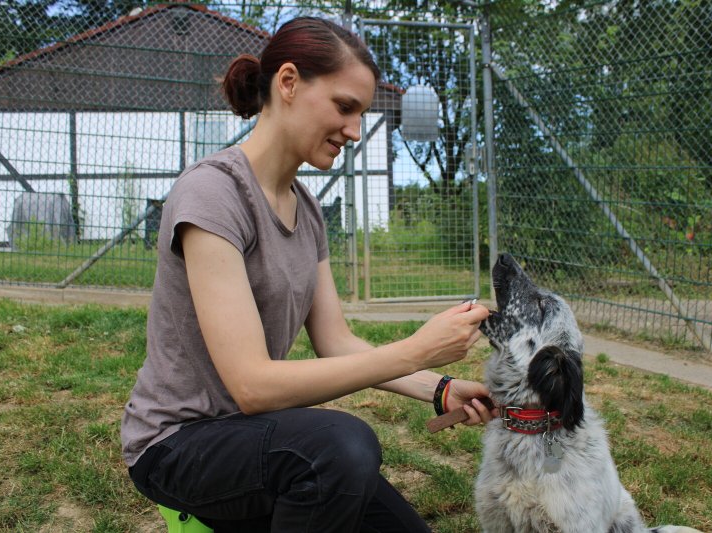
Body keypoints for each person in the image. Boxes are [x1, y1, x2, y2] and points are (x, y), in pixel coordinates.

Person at [121, 16, 493, 532]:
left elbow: (337, 342)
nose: (355, 130)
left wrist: (440, 386)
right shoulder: (213, 194)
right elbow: (251, 384)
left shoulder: (307, 207)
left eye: (361, 113)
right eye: (345, 107)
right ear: (289, 83)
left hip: (257, 438)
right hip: (179, 444)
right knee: (341, 448)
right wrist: (416, 348)